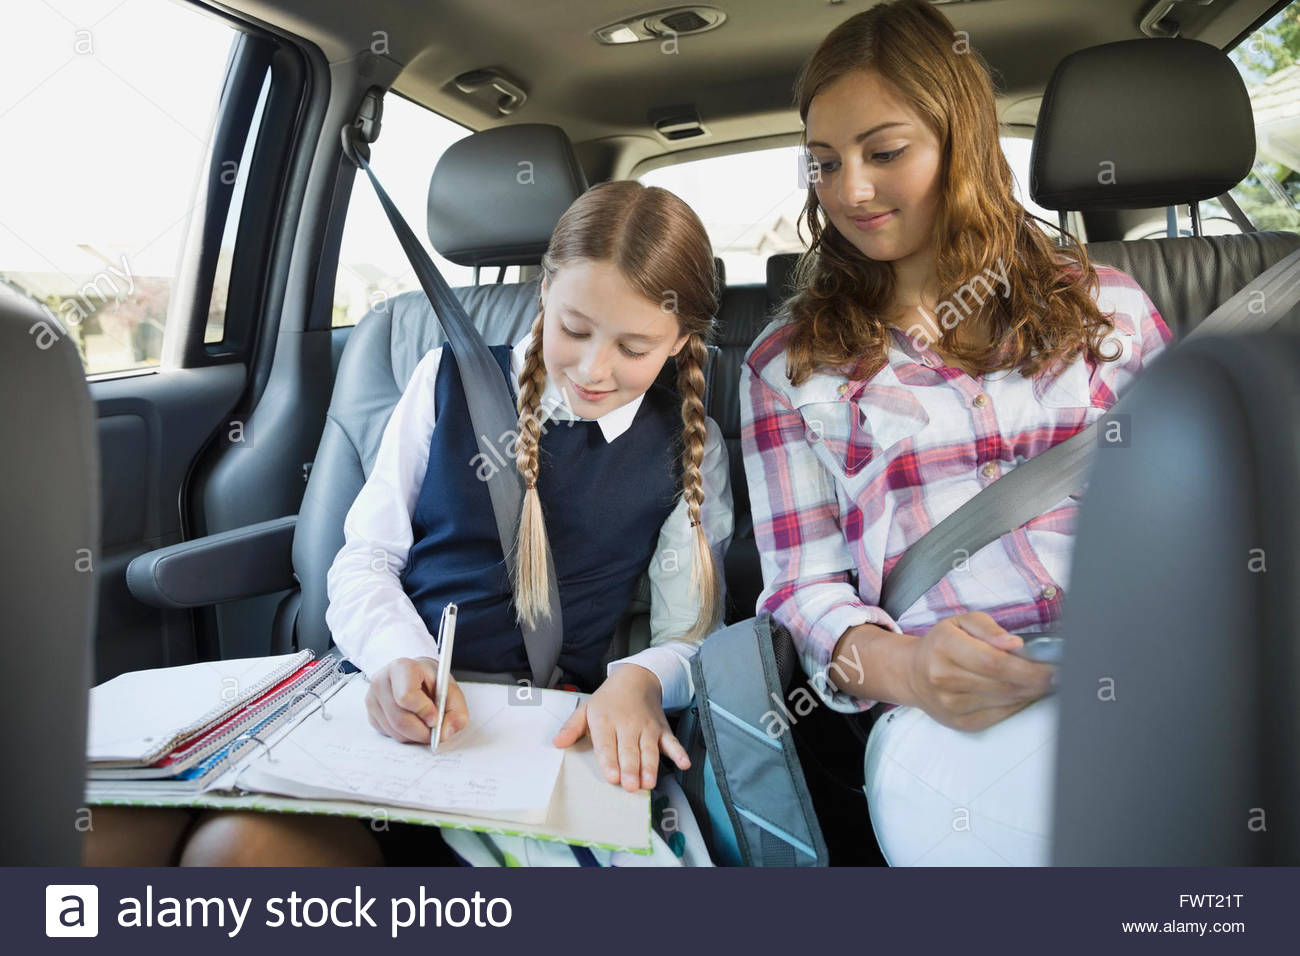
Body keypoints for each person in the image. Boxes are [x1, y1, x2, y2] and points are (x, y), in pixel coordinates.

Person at [84, 181, 733, 866]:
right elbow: (364, 557)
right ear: (545, 294)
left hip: (532, 729)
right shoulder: (446, 378)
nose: (595, 368)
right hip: (385, 703)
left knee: (235, 854)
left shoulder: (688, 447)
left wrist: (639, 682)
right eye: (574, 330)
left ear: (680, 340)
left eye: (634, 347)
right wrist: (399, 656)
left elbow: (691, 635)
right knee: (94, 826)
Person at [739, 0, 1173, 856]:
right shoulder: (786, 364)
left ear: (962, 139)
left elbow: (1205, 508)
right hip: (949, 717)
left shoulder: (1110, 305)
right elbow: (800, 591)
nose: (849, 190)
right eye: (824, 163)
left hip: (1155, 667)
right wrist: (911, 671)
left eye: (885, 152)